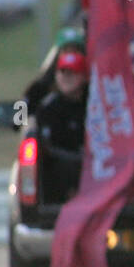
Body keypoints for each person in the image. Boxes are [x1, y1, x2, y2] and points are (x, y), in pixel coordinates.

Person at [35, 48, 89, 204]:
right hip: (61, 174)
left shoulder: (95, 106)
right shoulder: (47, 108)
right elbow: (48, 149)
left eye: (72, 73)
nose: (66, 77)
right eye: (62, 72)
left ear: (84, 77)